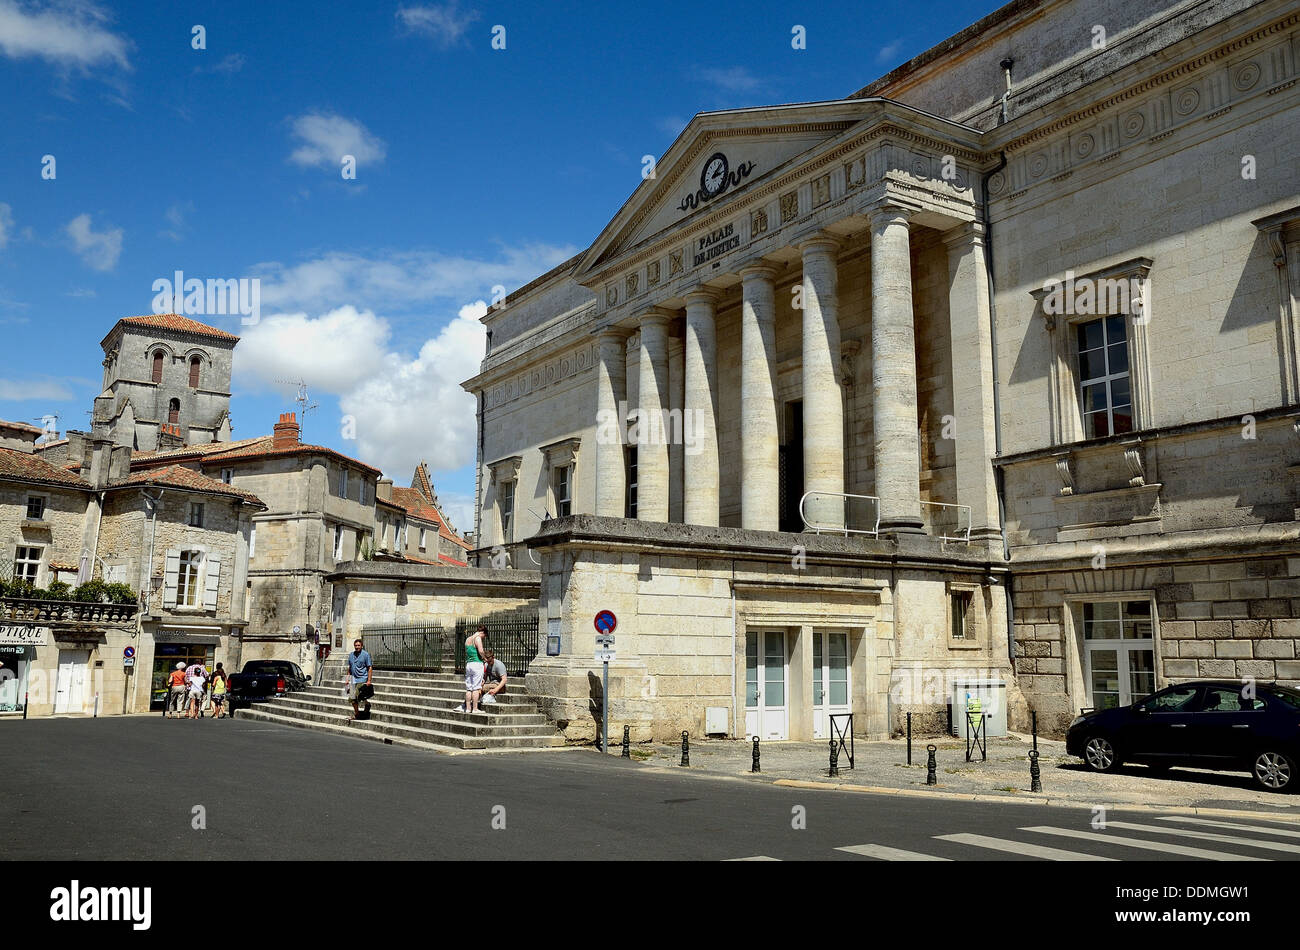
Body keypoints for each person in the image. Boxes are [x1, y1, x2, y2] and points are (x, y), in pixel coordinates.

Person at [459, 624, 487, 714]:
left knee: (469, 688)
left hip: (469, 664)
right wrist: (484, 658)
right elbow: (481, 651)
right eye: (484, 636)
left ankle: (467, 708)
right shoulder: (477, 638)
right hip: (476, 664)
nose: (484, 638)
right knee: (476, 687)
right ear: (482, 633)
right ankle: (475, 709)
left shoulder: (468, 639)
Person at [346, 638, 373, 723]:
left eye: (358, 645)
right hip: (353, 679)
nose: (357, 647)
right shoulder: (351, 655)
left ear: (361, 646)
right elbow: (349, 668)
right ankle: (357, 713)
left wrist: (369, 680)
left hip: (362, 678)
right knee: (352, 698)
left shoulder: (366, 655)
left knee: (358, 696)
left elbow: (369, 668)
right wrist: (347, 679)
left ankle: (366, 705)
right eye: (356, 645)